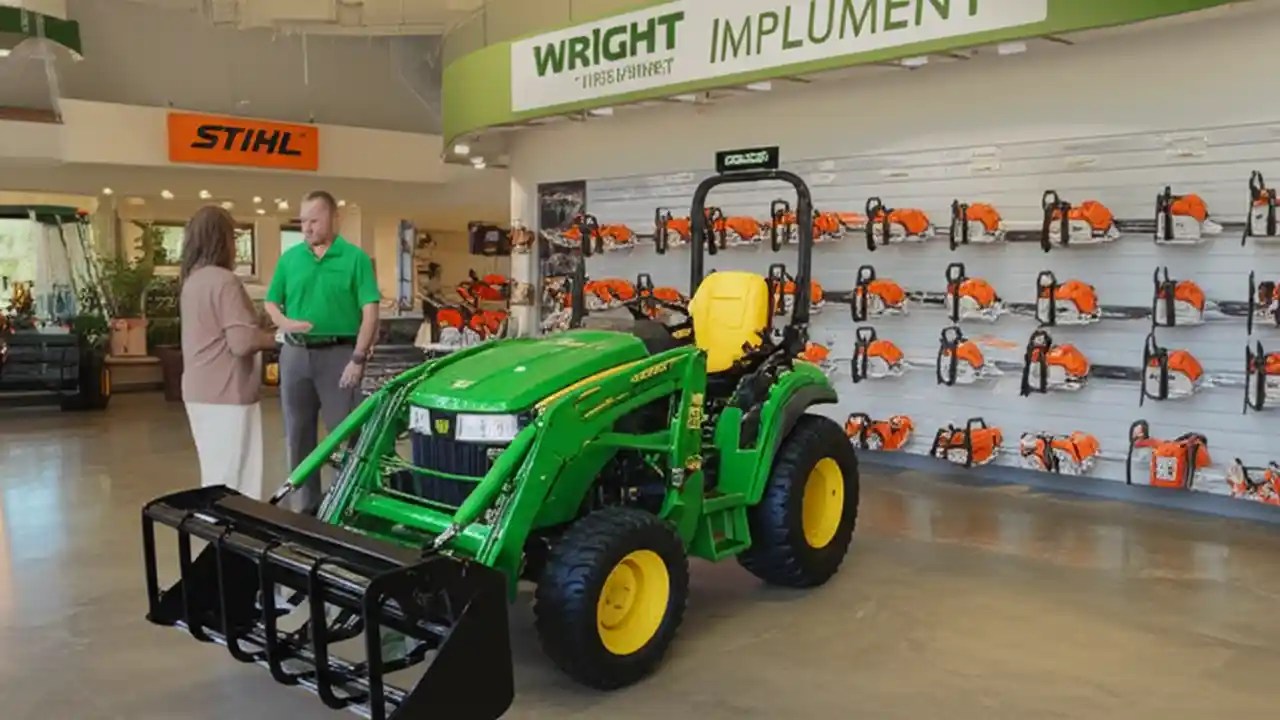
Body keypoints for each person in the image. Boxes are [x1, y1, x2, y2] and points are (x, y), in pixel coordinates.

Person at [265, 190, 382, 514]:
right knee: (298, 434)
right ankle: (305, 507)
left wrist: (358, 358)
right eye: (303, 221)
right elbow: (271, 301)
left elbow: (370, 311)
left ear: (334, 218)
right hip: (295, 356)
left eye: (314, 220)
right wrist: (283, 321)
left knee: (345, 433)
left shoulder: (355, 259)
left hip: (339, 356)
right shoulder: (290, 259)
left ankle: (348, 505)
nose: (307, 227)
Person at [180, 205, 278, 499]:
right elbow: (242, 342)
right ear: (222, 240)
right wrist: (281, 338)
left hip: (199, 392)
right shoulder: (224, 281)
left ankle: (216, 535)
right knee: (237, 484)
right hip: (228, 394)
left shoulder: (192, 281)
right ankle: (231, 540)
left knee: (216, 476)